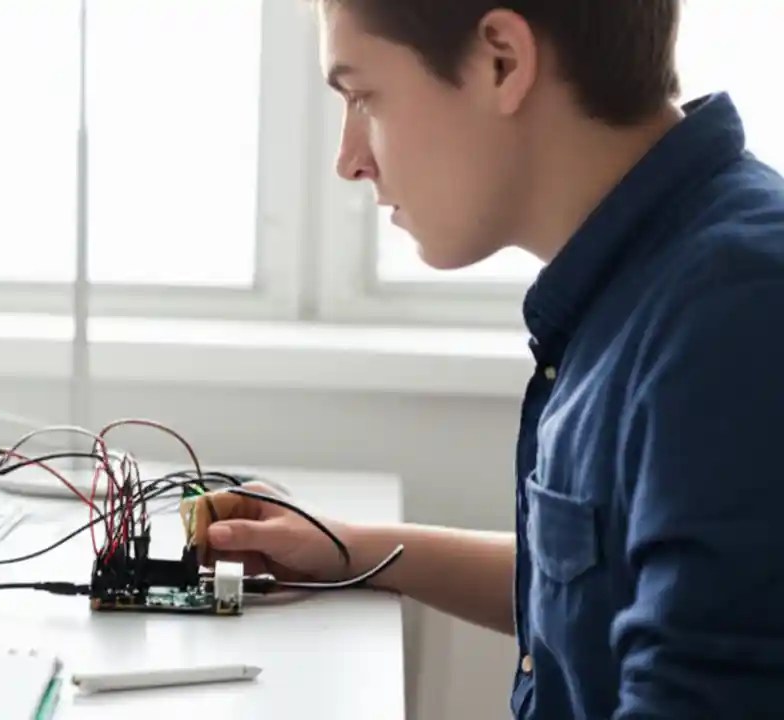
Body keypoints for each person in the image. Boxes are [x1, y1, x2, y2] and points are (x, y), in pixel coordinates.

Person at [188, 1, 784, 718]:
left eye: (364, 97)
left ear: (502, 60)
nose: (350, 159)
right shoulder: (651, 277)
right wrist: (348, 549)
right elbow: (606, 583)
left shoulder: (740, 311)